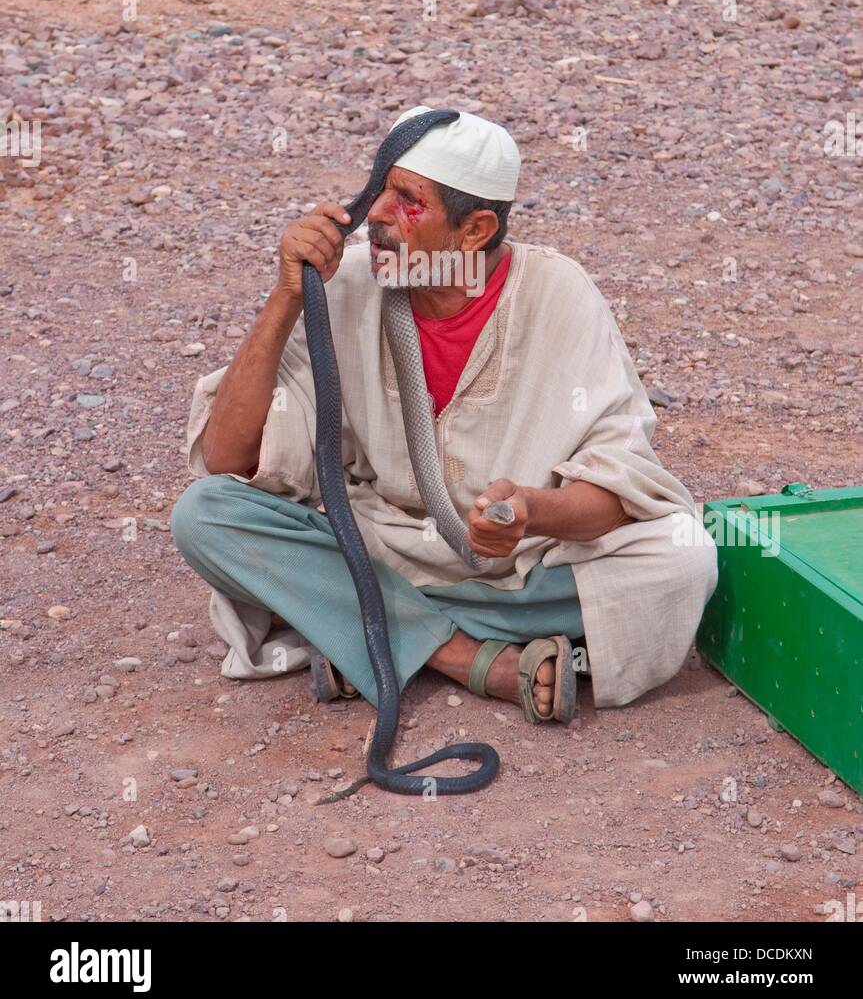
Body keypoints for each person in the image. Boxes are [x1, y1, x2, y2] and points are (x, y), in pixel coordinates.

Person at [170, 106, 717, 722]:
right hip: (378, 544)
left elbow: (620, 482)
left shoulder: (559, 295)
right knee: (206, 515)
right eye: (379, 190)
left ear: (475, 229)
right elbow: (227, 460)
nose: (374, 215)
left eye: (407, 201)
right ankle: (466, 657)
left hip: (522, 560)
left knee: (682, 558)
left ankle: (368, 632)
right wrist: (285, 299)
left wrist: (534, 512)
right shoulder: (343, 286)